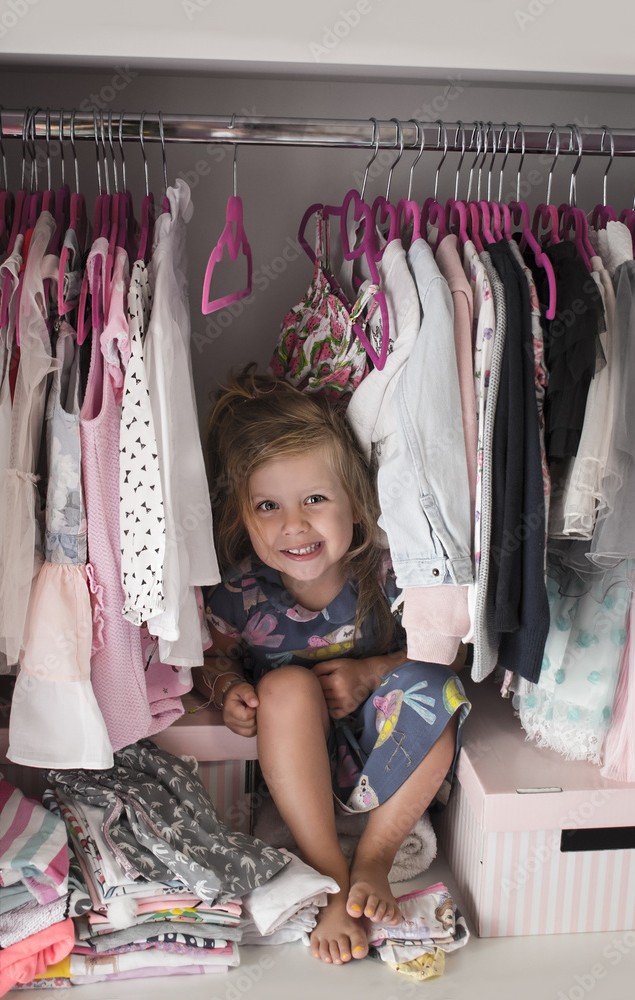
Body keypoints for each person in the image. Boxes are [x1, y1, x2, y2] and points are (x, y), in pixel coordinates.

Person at [200, 365, 470, 967]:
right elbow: (209, 656)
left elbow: (454, 644)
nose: (292, 524)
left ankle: (372, 859)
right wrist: (229, 689)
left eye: (314, 500)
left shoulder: (388, 572)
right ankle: (329, 874)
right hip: (301, 767)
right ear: (244, 517)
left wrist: (373, 672)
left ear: (357, 503)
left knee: (435, 683)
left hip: (387, 754)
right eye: (267, 506)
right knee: (286, 687)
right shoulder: (241, 591)